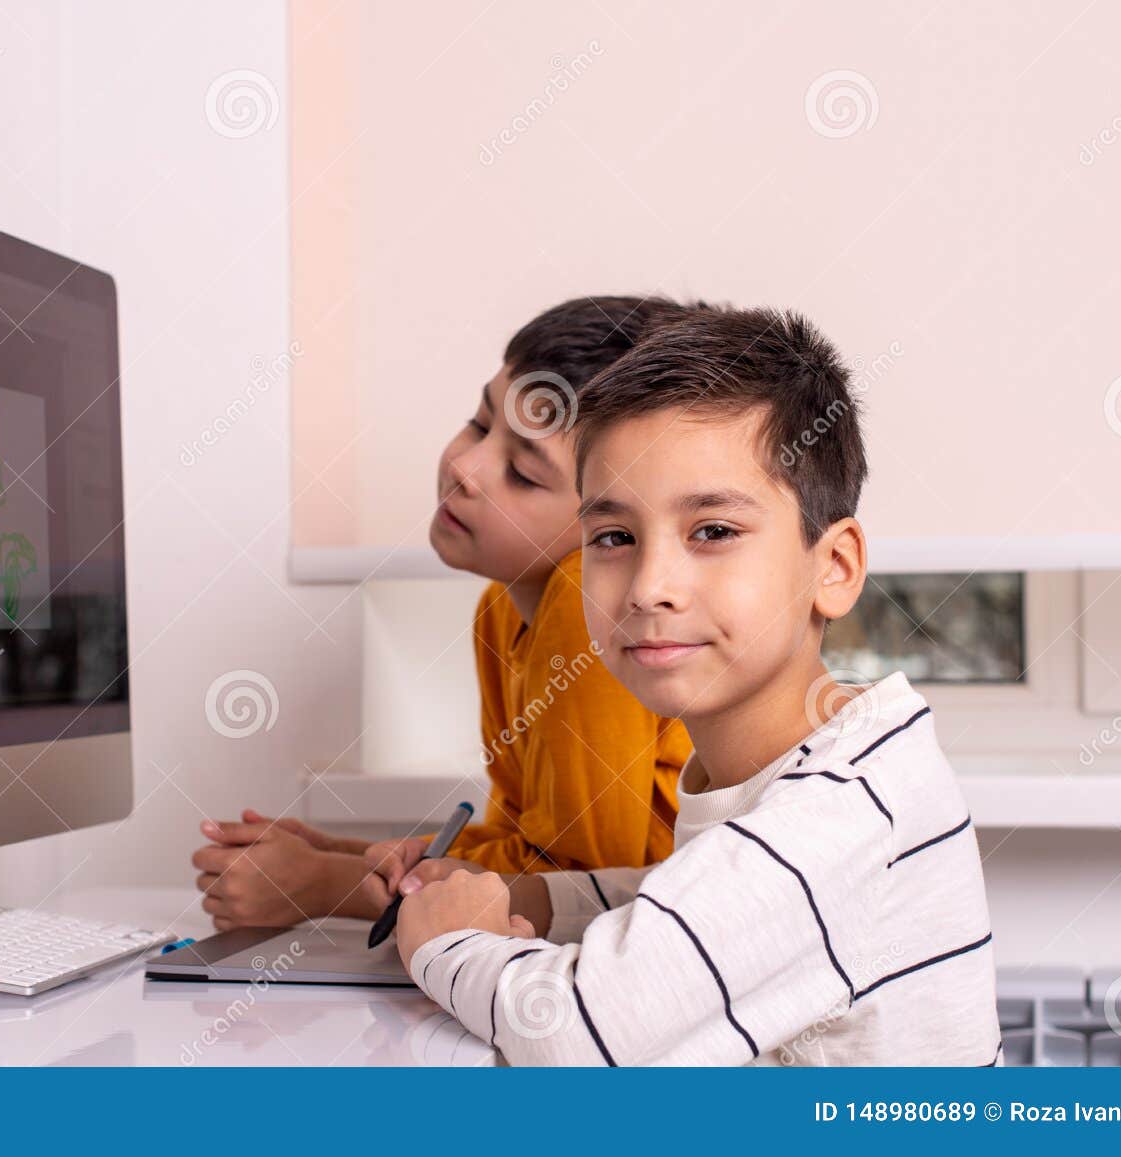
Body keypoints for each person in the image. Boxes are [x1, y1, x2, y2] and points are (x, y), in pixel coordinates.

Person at [388, 307, 1001, 1065]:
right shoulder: (819, 765)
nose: (649, 586)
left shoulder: (837, 812)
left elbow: (575, 1033)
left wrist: (444, 938)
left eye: (712, 531)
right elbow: (684, 904)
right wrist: (525, 899)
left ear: (833, 567)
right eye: (613, 537)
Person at [192, 296, 703, 931]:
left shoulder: (587, 607)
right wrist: (337, 853)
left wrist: (325, 885)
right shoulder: (501, 605)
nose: (465, 466)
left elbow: (582, 886)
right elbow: (521, 847)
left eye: (521, 472)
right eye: (480, 423)